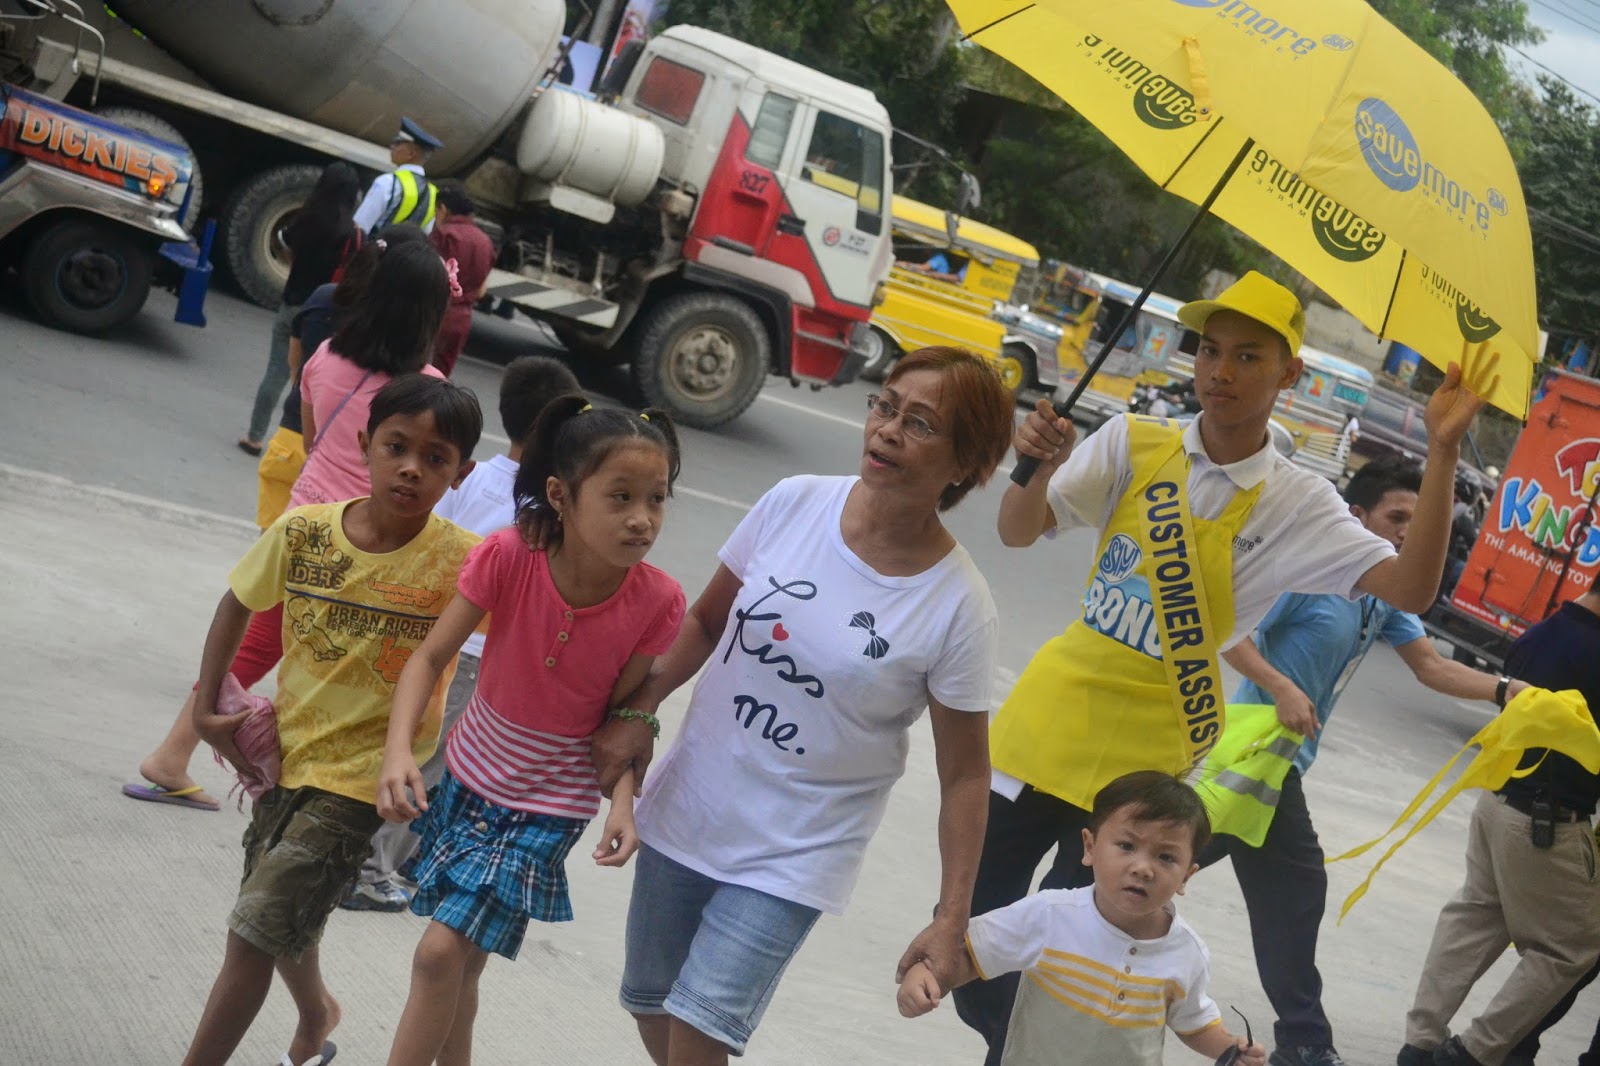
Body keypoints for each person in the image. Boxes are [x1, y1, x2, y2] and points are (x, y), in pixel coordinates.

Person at [953, 271, 1495, 1066]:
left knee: (1086, 958)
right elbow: (1016, 530)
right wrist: (1030, 465)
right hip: (1046, 727)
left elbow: (1411, 587)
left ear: (1290, 376)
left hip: (1144, 765)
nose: (1221, 371)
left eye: (1249, 357)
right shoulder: (1131, 442)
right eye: (1210, 350)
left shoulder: (1298, 502)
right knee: (971, 942)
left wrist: (1443, 451)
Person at [611, 346, 1014, 1066]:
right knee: (650, 1002)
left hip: (796, 849)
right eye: (885, 406)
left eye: (920, 424)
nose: (887, 430)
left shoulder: (958, 605)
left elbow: (964, 778)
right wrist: (640, 711)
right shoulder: (795, 502)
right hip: (694, 803)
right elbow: (704, 623)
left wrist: (951, 919)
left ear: (966, 465)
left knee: (700, 1028)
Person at [178, 375, 484, 1066]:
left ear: (460, 472)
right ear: (363, 444)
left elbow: (529, 629)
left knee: (254, 929)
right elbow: (236, 603)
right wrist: (204, 709)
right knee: (279, 904)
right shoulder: (305, 530)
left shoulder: (465, 560)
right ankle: (317, 1015)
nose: (411, 467)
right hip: (284, 755)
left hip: (366, 779)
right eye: (396, 447)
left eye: (435, 458)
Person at [378, 397, 686, 1066]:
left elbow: (627, 715)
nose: (642, 519)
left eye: (657, 499)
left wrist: (625, 805)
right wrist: (399, 751)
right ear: (561, 495)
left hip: (549, 807)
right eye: (621, 497)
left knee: (438, 954)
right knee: (460, 965)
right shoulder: (510, 555)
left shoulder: (658, 601)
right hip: (468, 778)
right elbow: (428, 657)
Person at [1212, 455, 1529, 1066]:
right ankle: (1306, 1043)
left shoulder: (1382, 596)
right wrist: (1280, 687)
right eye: (1397, 515)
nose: (1409, 528)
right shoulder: (1305, 577)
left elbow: (1430, 666)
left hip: (1281, 768)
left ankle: (1304, 1042)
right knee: (1214, 868)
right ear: (1354, 516)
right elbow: (1227, 629)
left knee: (1284, 893)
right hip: (1241, 756)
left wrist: (1502, 690)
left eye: (1416, 515)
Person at [125, 233, 450, 812]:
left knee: (260, 648)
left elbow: (310, 426)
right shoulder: (426, 390)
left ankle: (176, 758)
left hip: (299, 519)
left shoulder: (328, 355)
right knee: (270, 655)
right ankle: (171, 758)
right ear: (431, 312)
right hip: (352, 546)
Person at [343, 355, 581, 911]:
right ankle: (370, 870)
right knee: (429, 762)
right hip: (469, 652)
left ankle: (373, 859)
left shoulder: (468, 478)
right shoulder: (536, 503)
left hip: (432, 636)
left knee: (406, 749)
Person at [899, 771, 1265, 1066]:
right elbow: (971, 954)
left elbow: (1193, 1021)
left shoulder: (1186, 952)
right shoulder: (1051, 915)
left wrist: (1228, 1048)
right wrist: (928, 975)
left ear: (1187, 876)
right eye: (1126, 846)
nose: (1143, 868)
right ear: (1089, 848)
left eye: (1166, 858)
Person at [1397, 585, 1600, 1066]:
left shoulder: (1544, 634)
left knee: (1475, 917)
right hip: (1546, 827)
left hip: (1497, 807)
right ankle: (1472, 1052)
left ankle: (1419, 1043)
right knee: (1571, 948)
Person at [254, 227, 434, 531]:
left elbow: (295, 363)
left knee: (270, 553)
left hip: (296, 450)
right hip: (360, 523)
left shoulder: (326, 330)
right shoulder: (424, 383)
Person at [240, 162, 361, 456]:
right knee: (311, 384)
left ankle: (255, 436)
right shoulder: (353, 234)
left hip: (292, 305)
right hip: (325, 313)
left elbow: (284, 247)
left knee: (276, 372)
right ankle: (303, 444)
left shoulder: (307, 220)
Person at [428, 182, 496, 376]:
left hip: (434, 313)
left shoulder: (444, 234)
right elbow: (482, 291)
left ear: (443, 208)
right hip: (462, 320)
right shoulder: (486, 242)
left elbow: (427, 273)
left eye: (436, 211)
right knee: (437, 379)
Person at [354, 116, 443, 236]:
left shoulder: (387, 182)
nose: (392, 146)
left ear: (411, 154)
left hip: (375, 252)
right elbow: (425, 235)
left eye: (398, 143)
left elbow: (359, 228)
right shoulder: (433, 194)